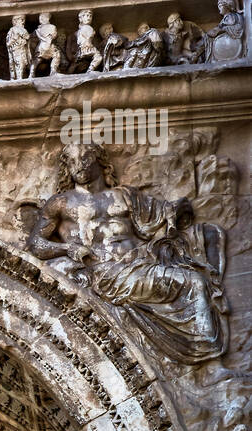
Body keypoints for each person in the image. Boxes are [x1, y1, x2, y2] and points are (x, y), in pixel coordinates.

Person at [26, 142, 227, 363]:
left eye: (85, 158)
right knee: (193, 283)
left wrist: (173, 213)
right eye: (72, 161)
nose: (79, 165)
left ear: (99, 161)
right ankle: (204, 360)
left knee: (196, 281)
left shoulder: (126, 196)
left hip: (140, 263)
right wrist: (67, 248)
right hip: (104, 271)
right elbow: (36, 244)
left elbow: (159, 217)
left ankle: (208, 360)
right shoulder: (61, 202)